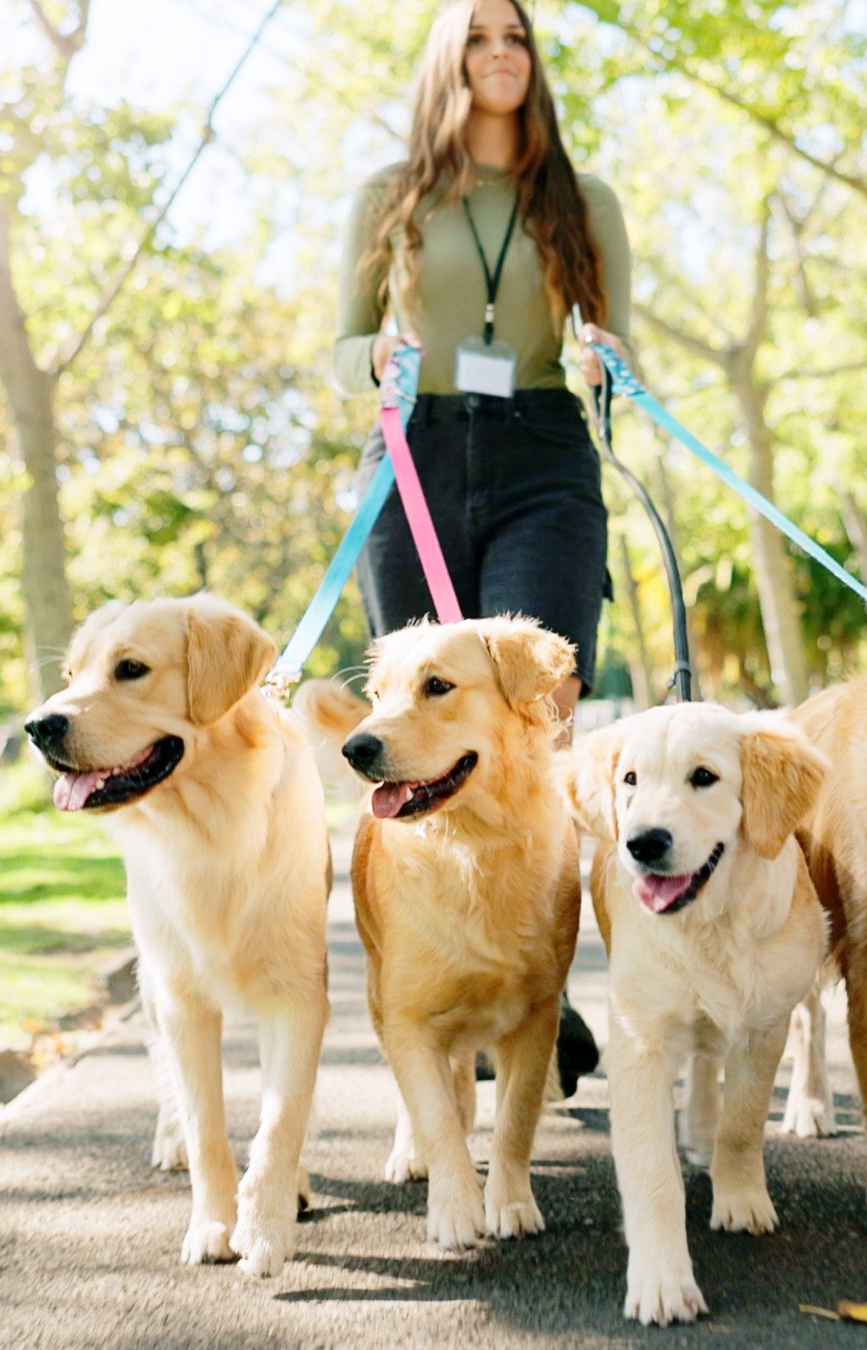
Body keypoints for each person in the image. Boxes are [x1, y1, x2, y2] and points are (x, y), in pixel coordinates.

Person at [332, 0, 632, 1088]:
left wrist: (604, 358)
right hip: (414, 450)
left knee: (533, 713)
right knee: (420, 726)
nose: (500, 54)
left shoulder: (583, 201)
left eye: (515, 39)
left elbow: (619, 344)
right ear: (446, 60)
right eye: (478, 38)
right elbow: (339, 349)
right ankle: (444, 981)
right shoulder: (392, 196)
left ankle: (537, 982)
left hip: (543, 452)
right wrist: (374, 355)